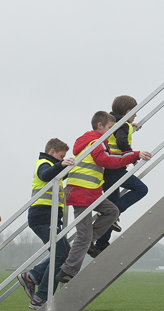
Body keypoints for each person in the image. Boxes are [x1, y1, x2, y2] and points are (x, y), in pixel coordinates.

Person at [56, 112, 149, 283]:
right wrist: (135, 155)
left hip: (89, 192)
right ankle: (67, 271)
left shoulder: (92, 140)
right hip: (82, 192)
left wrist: (130, 126)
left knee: (112, 211)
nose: (111, 132)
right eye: (109, 128)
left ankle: (91, 240)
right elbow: (108, 161)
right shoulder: (95, 142)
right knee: (83, 236)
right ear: (100, 126)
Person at [92, 95, 149, 256]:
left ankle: (101, 244)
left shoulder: (113, 122)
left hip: (105, 170)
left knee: (112, 204)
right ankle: (115, 213)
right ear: (127, 111)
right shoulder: (122, 125)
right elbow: (122, 141)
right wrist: (132, 156)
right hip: (115, 169)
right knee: (141, 189)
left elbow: (119, 131)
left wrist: (132, 125)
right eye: (135, 112)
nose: (136, 115)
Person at [19, 141, 72, 309]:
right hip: (43, 217)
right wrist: (62, 165)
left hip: (48, 218)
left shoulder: (53, 166)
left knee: (65, 254)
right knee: (61, 255)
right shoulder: (44, 163)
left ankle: (33, 276)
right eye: (61, 156)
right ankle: (40, 297)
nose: (62, 160)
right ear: (52, 151)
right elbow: (45, 175)